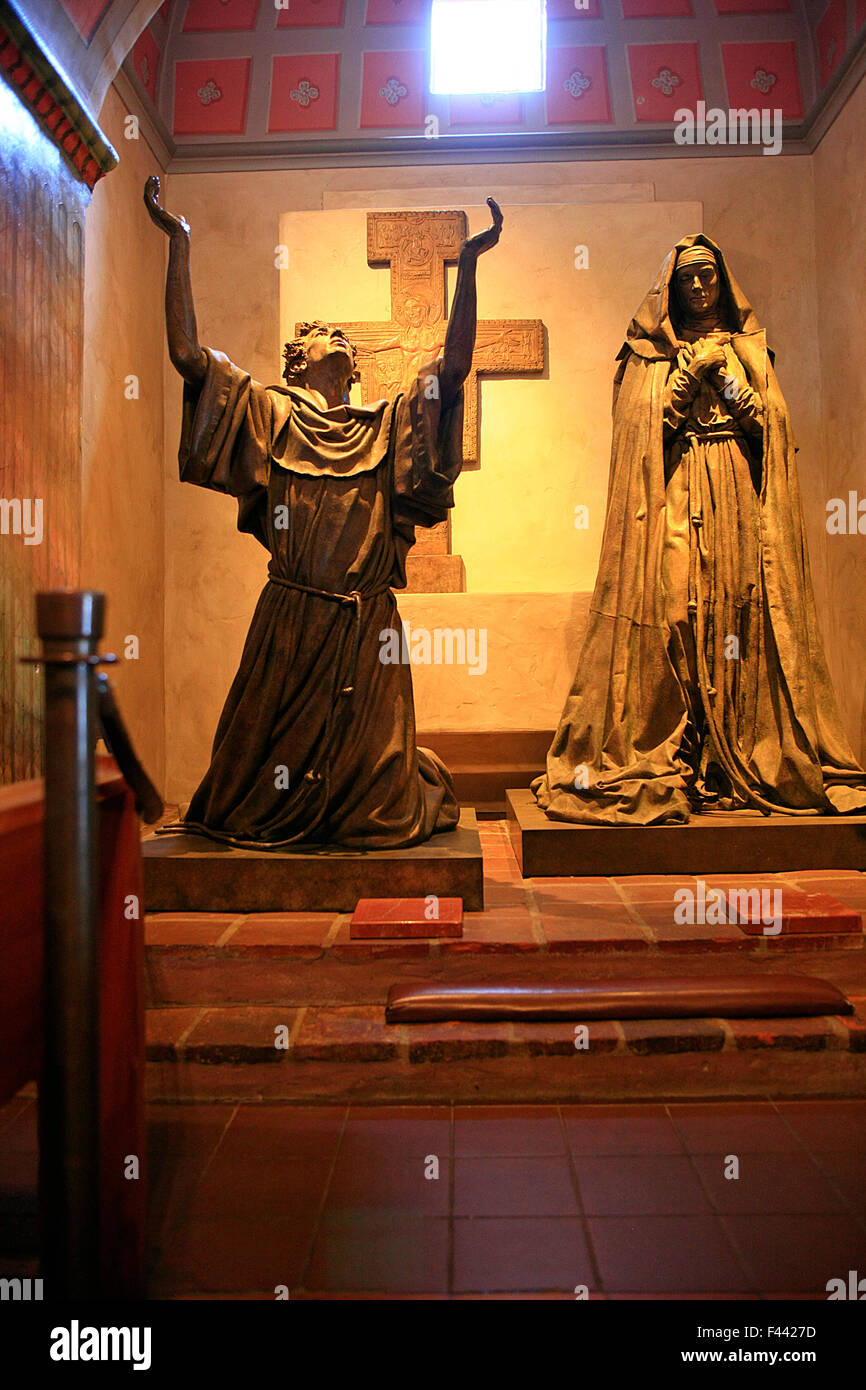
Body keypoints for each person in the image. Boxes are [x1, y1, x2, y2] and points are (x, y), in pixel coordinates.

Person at [143, 175, 502, 848]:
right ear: (297, 360)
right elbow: (189, 357)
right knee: (251, 792)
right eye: (319, 332)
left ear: (354, 368)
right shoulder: (267, 413)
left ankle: (367, 802)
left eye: (341, 335)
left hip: (366, 622)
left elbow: (452, 369)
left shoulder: (387, 426)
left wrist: (472, 266)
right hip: (294, 618)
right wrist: (180, 243)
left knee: (379, 812)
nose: (334, 336)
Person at [533, 233, 866, 825]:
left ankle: (729, 755)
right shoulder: (648, 355)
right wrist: (685, 381)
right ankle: (682, 748)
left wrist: (731, 382)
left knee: (738, 608)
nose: (698, 287)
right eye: (686, 279)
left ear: (722, 280)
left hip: (735, 483)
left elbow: (773, 435)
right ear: (671, 290)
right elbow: (641, 438)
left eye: (707, 275)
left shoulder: (750, 349)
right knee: (679, 611)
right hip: (679, 484)